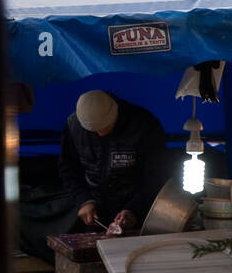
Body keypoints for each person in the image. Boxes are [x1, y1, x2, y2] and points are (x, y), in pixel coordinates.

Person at [59, 90, 170, 232]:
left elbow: (157, 174)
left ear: (115, 112)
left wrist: (134, 209)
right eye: (93, 130)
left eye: (104, 127)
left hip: (138, 212)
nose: (99, 133)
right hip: (94, 214)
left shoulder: (144, 125)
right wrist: (84, 201)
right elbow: (68, 169)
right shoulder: (73, 126)